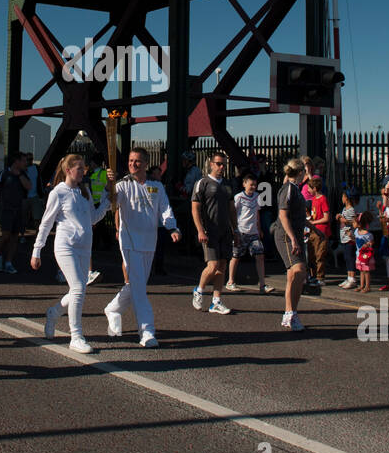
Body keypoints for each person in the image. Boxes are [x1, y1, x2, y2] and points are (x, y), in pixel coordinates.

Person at [31, 154, 111, 353]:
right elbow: (46, 223)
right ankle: (76, 336)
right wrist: (37, 250)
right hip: (65, 246)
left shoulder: (84, 191)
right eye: (79, 168)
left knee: (79, 289)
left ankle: (54, 312)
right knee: (77, 288)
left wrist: (107, 200)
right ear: (68, 170)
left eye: (84, 168)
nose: (83, 171)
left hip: (85, 247)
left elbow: (93, 218)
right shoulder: (58, 192)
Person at [104, 147, 181, 347]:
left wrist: (172, 227)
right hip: (129, 241)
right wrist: (109, 184)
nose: (133, 164)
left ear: (146, 164)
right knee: (139, 288)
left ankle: (113, 309)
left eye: (137, 161)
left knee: (137, 285)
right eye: (130, 161)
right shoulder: (123, 185)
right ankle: (146, 331)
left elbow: (165, 209)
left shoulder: (157, 186)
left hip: (149, 242)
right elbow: (111, 201)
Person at [190, 153, 236, 315]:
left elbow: (232, 209)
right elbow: (195, 208)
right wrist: (200, 229)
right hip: (210, 231)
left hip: (225, 231)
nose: (221, 167)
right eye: (218, 164)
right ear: (211, 164)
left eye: (224, 164)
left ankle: (216, 301)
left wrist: (235, 230)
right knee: (213, 265)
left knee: (222, 266)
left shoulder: (228, 185)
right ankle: (199, 290)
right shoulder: (202, 183)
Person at [273, 158, 311, 330]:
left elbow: (298, 215)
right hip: (286, 236)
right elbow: (283, 215)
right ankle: (290, 314)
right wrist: (293, 238)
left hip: (294, 233)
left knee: (293, 275)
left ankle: (290, 313)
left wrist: (313, 229)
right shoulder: (288, 189)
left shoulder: (295, 189)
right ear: (300, 172)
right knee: (299, 271)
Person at [226, 173, 273, 294]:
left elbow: (257, 214)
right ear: (244, 184)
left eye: (255, 185)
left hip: (254, 233)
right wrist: (234, 230)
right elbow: (233, 213)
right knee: (236, 256)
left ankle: (262, 284)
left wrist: (259, 229)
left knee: (260, 255)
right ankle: (230, 281)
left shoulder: (257, 197)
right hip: (241, 232)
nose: (253, 187)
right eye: (251, 184)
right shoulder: (239, 197)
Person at [0, 151, 30, 273]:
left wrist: (19, 175)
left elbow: (28, 186)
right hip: (6, 210)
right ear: (17, 161)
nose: (26, 163)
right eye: (24, 161)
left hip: (18, 210)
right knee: (6, 235)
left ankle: (8, 262)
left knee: (14, 237)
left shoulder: (24, 174)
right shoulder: (4, 174)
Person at [305, 175, 332, 285]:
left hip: (321, 231)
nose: (308, 190)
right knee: (311, 255)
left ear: (315, 188)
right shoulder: (314, 200)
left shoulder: (322, 199)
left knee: (319, 255)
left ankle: (320, 277)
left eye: (310, 188)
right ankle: (313, 275)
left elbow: (326, 217)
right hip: (313, 231)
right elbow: (315, 215)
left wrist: (313, 222)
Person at [335, 186, 360, 289]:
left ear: (346, 198)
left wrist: (345, 221)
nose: (342, 198)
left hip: (349, 237)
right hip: (344, 237)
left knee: (350, 258)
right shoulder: (345, 209)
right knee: (346, 258)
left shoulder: (351, 210)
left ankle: (353, 278)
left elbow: (355, 223)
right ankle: (349, 277)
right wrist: (339, 216)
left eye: (343, 196)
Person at [353, 213, 375, 292]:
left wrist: (368, 244)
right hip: (359, 254)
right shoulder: (356, 232)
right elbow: (355, 241)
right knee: (361, 270)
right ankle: (362, 285)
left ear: (359, 224)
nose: (353, 224)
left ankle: (367, 286)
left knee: (366, 271)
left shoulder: (368, 234)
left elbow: (371, 244)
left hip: (365, 256)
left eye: (354, 222)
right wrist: (351, 237)